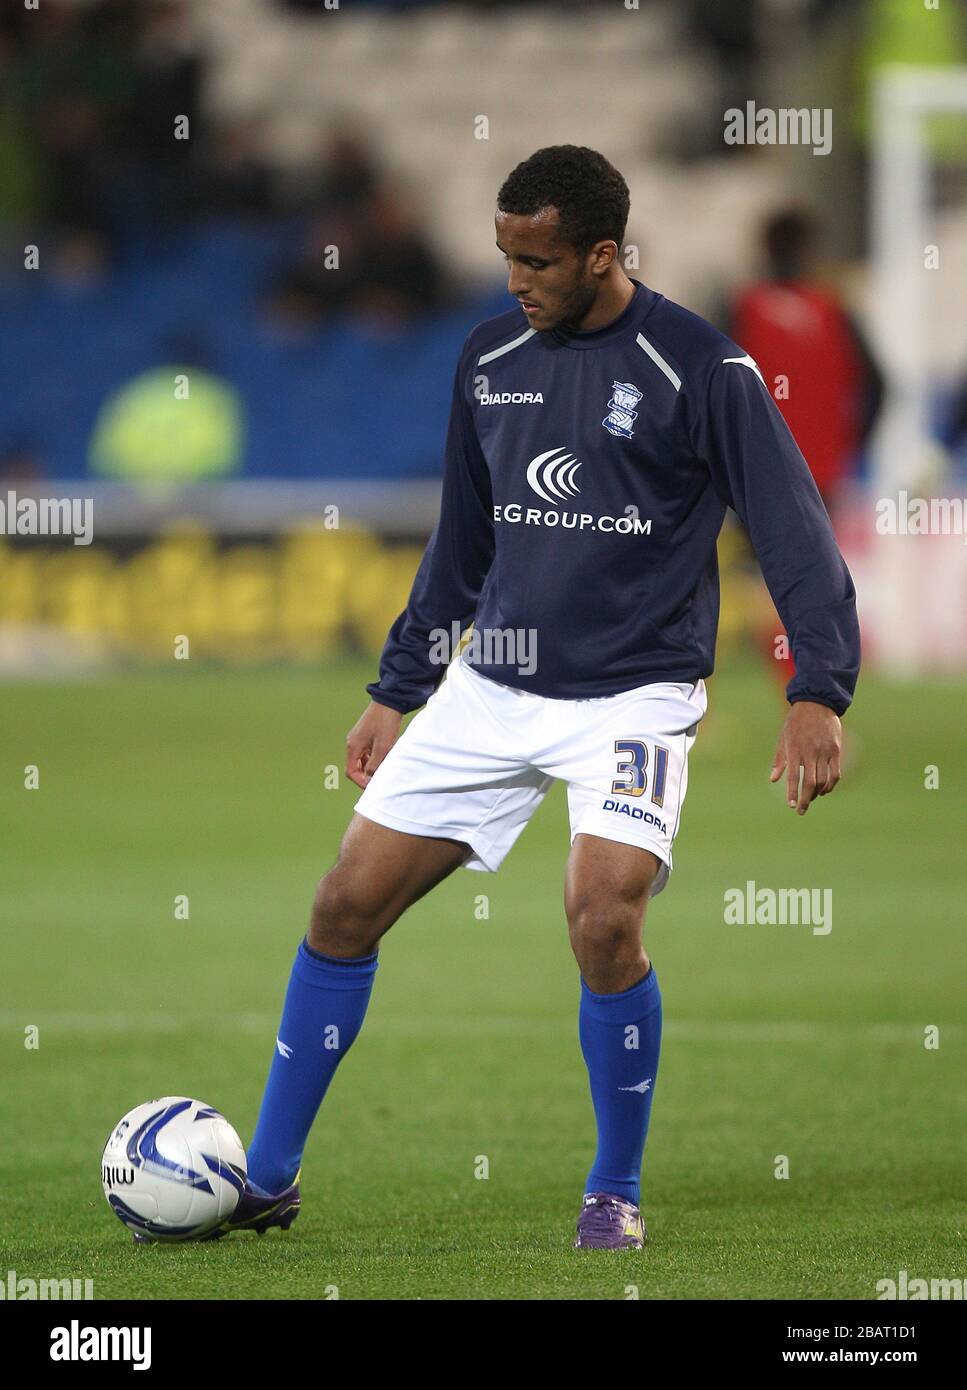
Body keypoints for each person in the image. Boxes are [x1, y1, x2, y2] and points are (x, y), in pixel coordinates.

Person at [198, 147, 860, 1251]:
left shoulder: (700, 367)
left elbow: (791, 533)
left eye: (539, 260)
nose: (517, 280)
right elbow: (461, 543)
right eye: (507, 256)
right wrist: (397, 686)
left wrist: (817, 690)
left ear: (602, 254)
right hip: (490, 684)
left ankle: (613, 1188)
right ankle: (266, 1177)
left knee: (604, 916)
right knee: (342, 905)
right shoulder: (489, 355)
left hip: (635, 697)